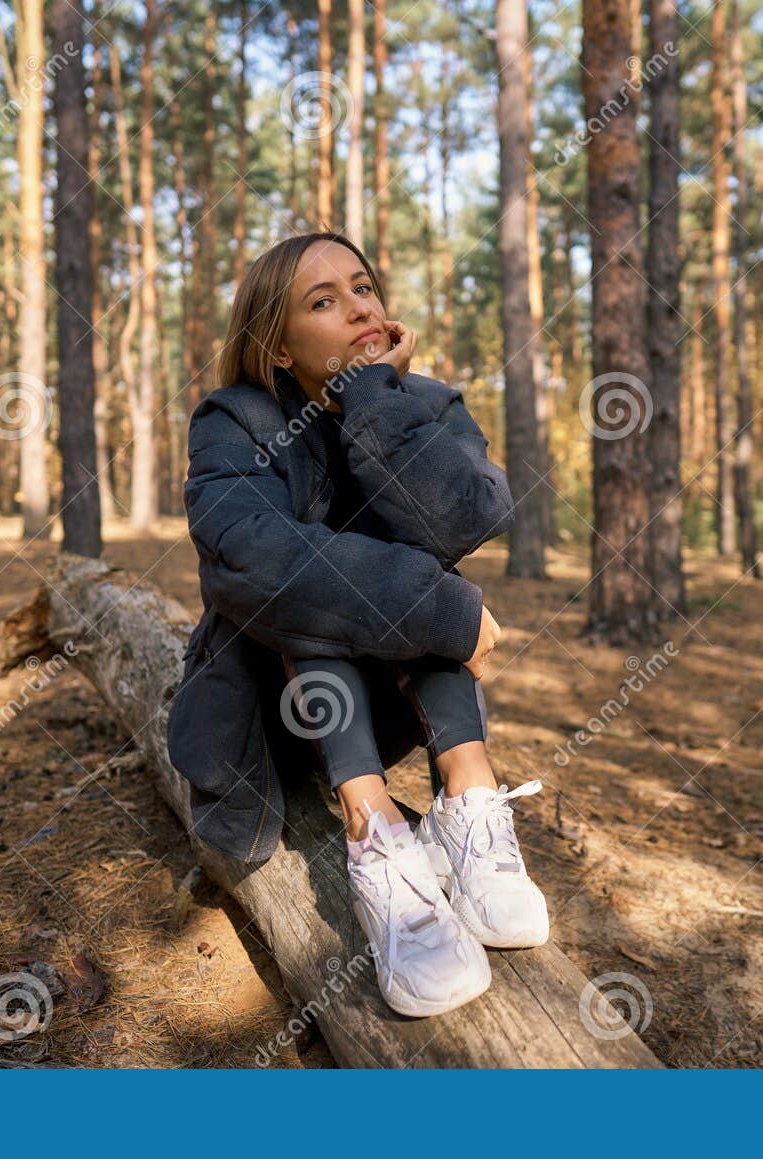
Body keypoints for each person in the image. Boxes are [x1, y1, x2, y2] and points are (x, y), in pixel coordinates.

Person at [169, 231, 549, 1019]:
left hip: (381, 704)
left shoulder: (424, 402)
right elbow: (256, 565)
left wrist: (376, 394)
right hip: (267, 714)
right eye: (323, 300)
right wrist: (445, 614)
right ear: (275, 343)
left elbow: (464, 518)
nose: (358, 308)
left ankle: (469, 803)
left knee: (413, 556)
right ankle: (374, 834)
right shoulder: (232, 422)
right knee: (316, 585)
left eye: (364, 288)